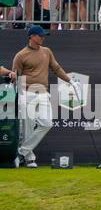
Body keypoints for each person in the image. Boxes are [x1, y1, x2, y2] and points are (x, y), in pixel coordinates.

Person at [11, 25, 74, 167]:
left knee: (47, 123)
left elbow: (56, 68)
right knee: (27, 128)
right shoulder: (20, 55)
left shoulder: (47, 51)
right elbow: (16, 77)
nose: (43, 37)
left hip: (43, 93)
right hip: (26, 93)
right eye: (40, 35)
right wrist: (20, 97)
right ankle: (29, 158)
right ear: (31, 37)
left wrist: (69, 80)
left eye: (43, 35)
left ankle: (21, 152)